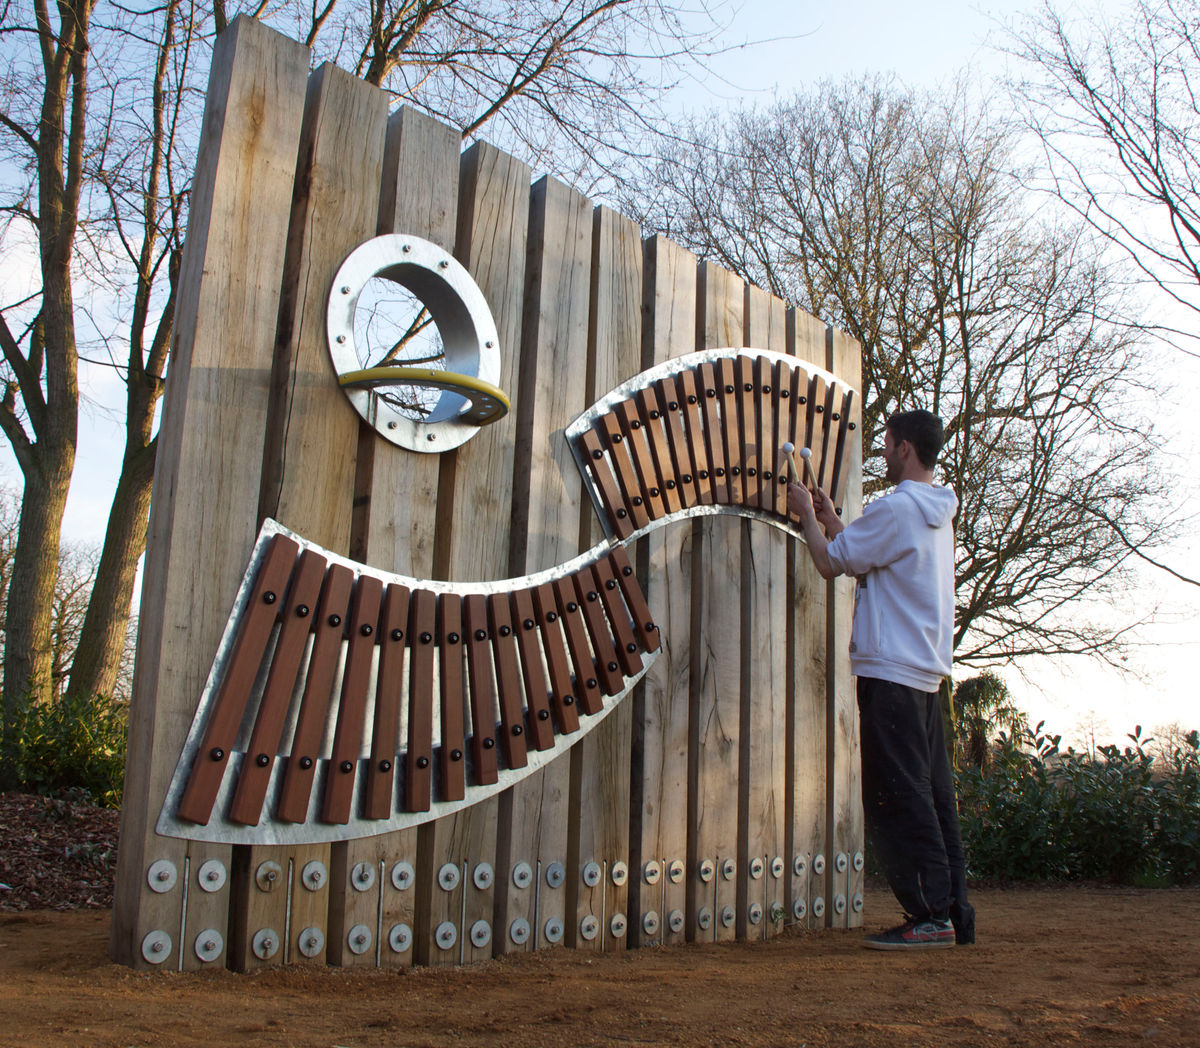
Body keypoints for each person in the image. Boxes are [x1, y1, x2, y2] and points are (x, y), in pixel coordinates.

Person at [787, 409, 974, 951]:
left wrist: (806, 515)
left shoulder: (895, 508)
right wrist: (833, 520)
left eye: (888, 444)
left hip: (890, 674)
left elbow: (830, 565)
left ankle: (929, 916)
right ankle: (954, 914)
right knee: (934, 797)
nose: (884, 453)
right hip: (926, 677)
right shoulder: (935, 512)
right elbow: (869, 556)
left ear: (906, 448)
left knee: (898, 798)